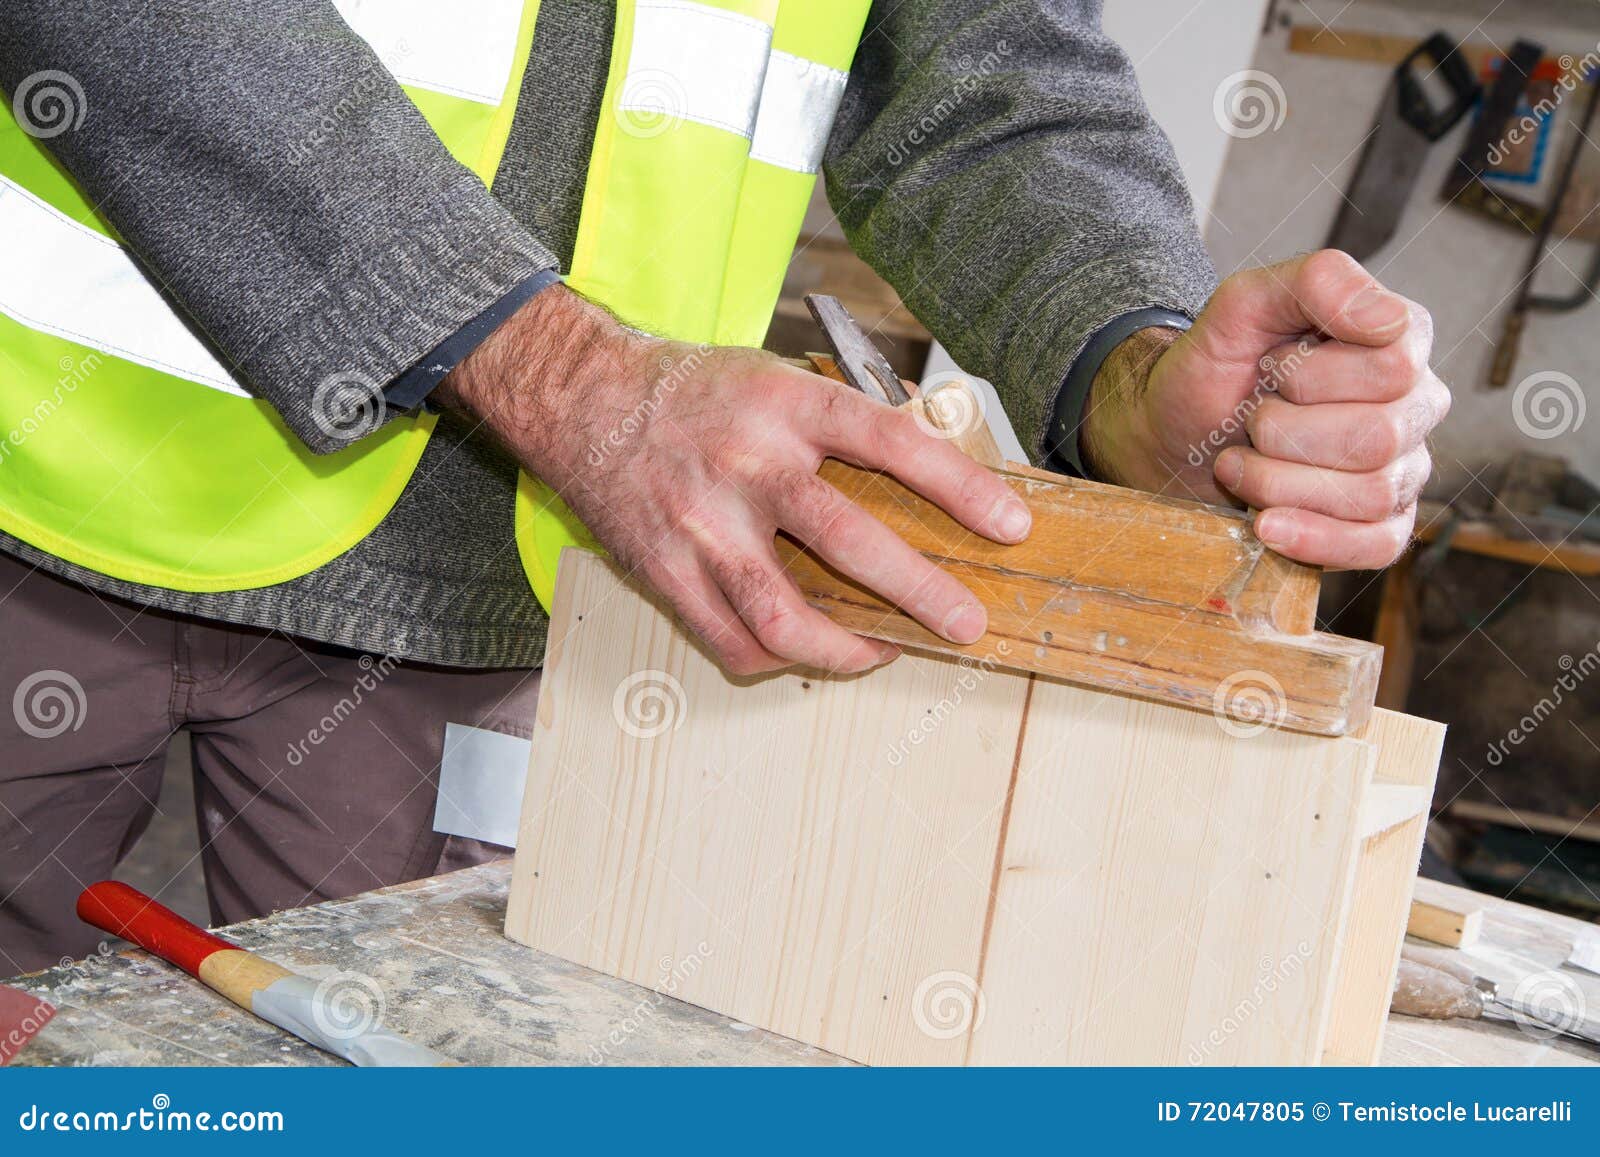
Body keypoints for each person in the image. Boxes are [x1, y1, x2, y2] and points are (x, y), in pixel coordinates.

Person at [0, 1, 1448, 973]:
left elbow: (989, 80)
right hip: (35, 471)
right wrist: (568, 378)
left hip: (522, 582)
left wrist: (1129, 364)